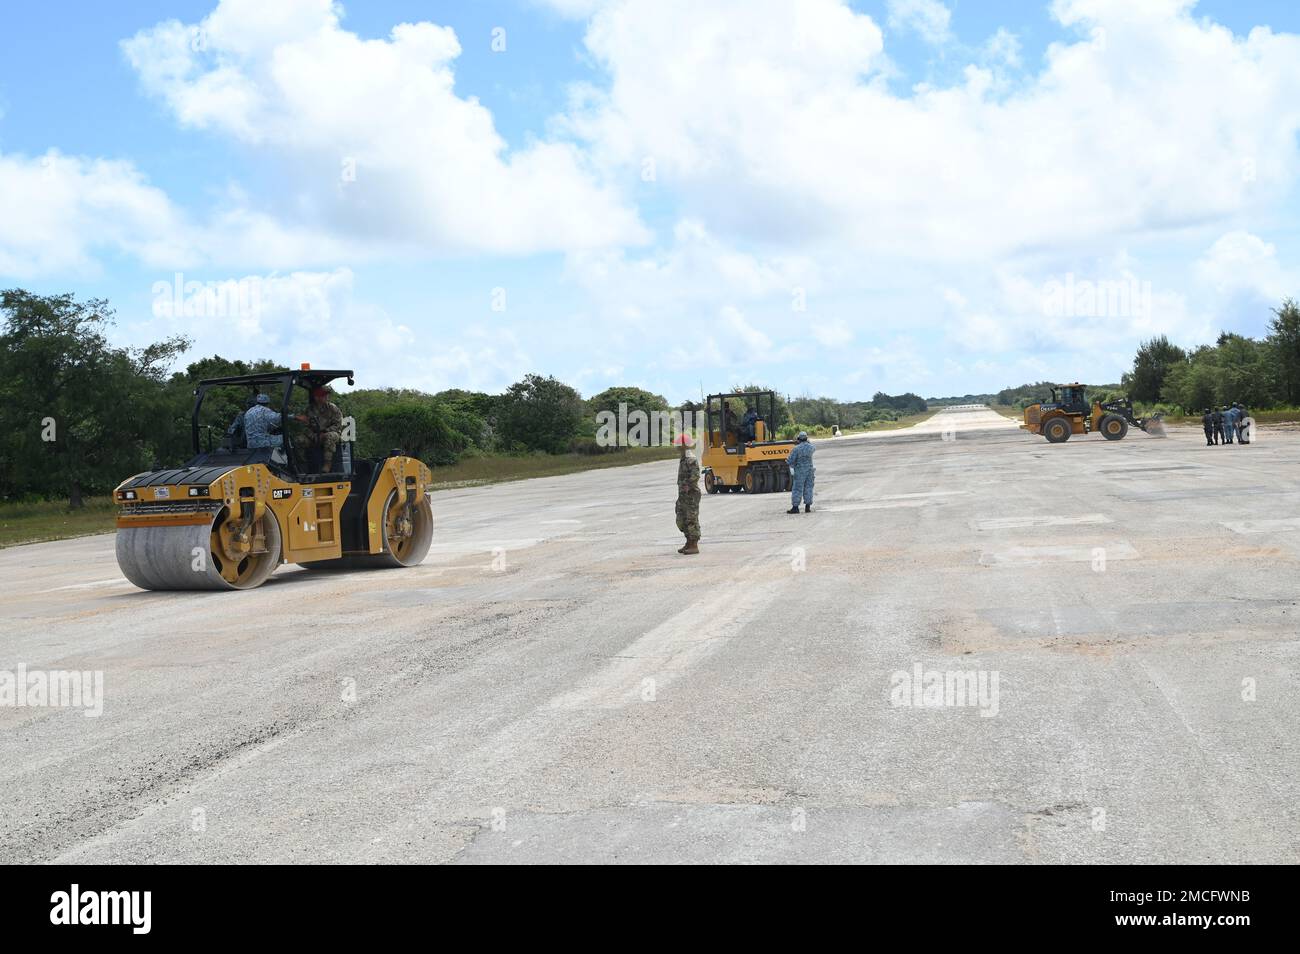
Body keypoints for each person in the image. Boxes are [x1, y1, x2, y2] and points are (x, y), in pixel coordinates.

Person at [294, 385, 344, 472]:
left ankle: (327, 465)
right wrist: (314, 436)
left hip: (330, 433)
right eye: (323, 395)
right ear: (316, 397)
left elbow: (338, 425)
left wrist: (325, 432)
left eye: (326, 395)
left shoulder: (333, 408)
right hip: (314, 436)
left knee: (330, 437)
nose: (326, 397)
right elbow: (305, 427)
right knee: (299, 440)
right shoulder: (309, 410)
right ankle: (303, 465)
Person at [673, 433, 700, 555]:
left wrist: (688, 486)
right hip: (683, 495)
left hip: (691, 494)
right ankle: (688, 542)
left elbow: (695, 476)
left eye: (679, 445)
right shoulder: (683, 459)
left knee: (691, 518)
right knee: (682, 517)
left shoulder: (691, 459)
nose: (678, 448)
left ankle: (694, 544)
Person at [786, 431, 815, 513]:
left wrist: (789, 462)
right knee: (808, 488)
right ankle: (808, 507)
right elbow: (812, 447)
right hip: (809, 470)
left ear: (798, 439)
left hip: (799, 471)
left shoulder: (796, 449)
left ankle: (795, 507)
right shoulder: (811, 447)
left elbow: (790, 461)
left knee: (797, 489)